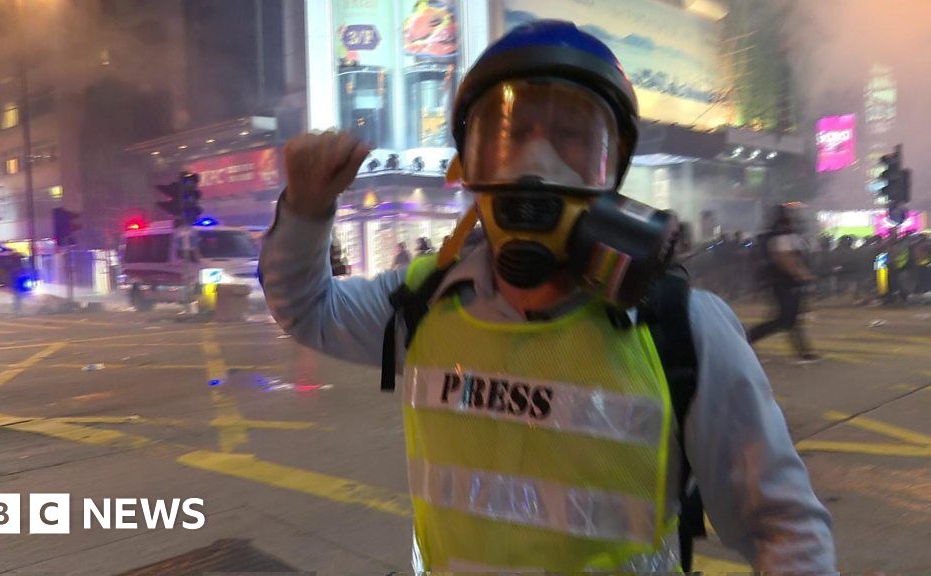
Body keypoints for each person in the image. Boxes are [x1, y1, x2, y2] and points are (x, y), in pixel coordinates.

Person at [261, 20, 833, 573]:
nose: (536, 165)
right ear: (471, 165)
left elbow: (783, 526)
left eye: (569, 137)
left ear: (611, 172)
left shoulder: (681, 329)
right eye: (511, 136)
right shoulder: (424, 304)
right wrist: (307, 212)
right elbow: (309, 310)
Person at [747, 204, 818, 361]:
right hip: (784, 282)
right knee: (786, 319)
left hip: (787, 282)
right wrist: (802, 274)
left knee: (791, 318)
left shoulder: (784, 235)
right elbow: (784, 259)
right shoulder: (782, 236)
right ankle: (748, 338)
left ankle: (803, 351)